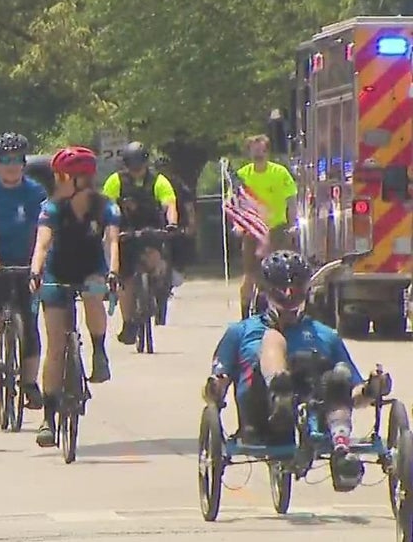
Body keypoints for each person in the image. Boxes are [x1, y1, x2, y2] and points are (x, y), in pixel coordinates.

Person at [206, 250, 384, 491]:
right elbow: (217, 386)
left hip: (317, 416)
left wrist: (372, 387)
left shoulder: (325, 335)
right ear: (268, 290)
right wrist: (214, 387)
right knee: (272, 340)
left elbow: (354, 392)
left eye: (296, 288)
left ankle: (341, 448)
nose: (288, 295)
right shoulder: (242, 332)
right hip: (261, 416)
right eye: (281, 289)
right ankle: (281, 395)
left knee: (338, 374)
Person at [28, 147, 120, 447]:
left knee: (94, 293)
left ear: (78, 179)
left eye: (61, 176)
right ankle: (48, 416)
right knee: (55, 345)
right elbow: (42, 244)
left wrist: (114, 272)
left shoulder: (105, 206)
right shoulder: (51, 208)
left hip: (91, 269)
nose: (56, 181)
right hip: (58, 272)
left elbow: (112, 241)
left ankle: (98, 350)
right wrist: (35, 271)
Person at [0, 133, 47, 409]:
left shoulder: (36, 191)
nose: (12, 166)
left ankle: (29, 383)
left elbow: (44, 227)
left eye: (17, 160)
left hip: (27, 263)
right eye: (6, 160)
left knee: (29, 324)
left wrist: (39, 263)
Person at [100, 142, 179, 345]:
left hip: (151, 227)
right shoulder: (115, 181)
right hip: (124, 229)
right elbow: (106, 207)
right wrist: (107, 229)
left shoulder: (158, 181)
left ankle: (158, 291)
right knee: (124, 278)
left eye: (139, 163)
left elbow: (169, 203)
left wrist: (171, 223)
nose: (136, 168)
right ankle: (128, 323)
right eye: (131, 164)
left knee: (154, 259)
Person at [236, 135, 298, 318]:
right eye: (254, 150)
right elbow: (236, 202)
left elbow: (291, 199)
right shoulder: (242, 175)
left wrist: (292, 224)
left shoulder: (280, 173)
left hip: (276, 229)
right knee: (249, 274)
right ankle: (244, 314)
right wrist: (238, 225)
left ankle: (283, 309)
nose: (258, 154)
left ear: (267, 151)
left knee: (281, 273)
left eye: (261, 150)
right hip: (252, 230)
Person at [154, 154, 197, 277]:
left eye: (165, 168)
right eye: (159, 168)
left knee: (178, 248)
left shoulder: (179, 184)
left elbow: (189, 205)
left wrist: (191, 224)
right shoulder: (152, 183)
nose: (163, 171)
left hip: (177, 222)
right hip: (156, 222)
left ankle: (176, 272)